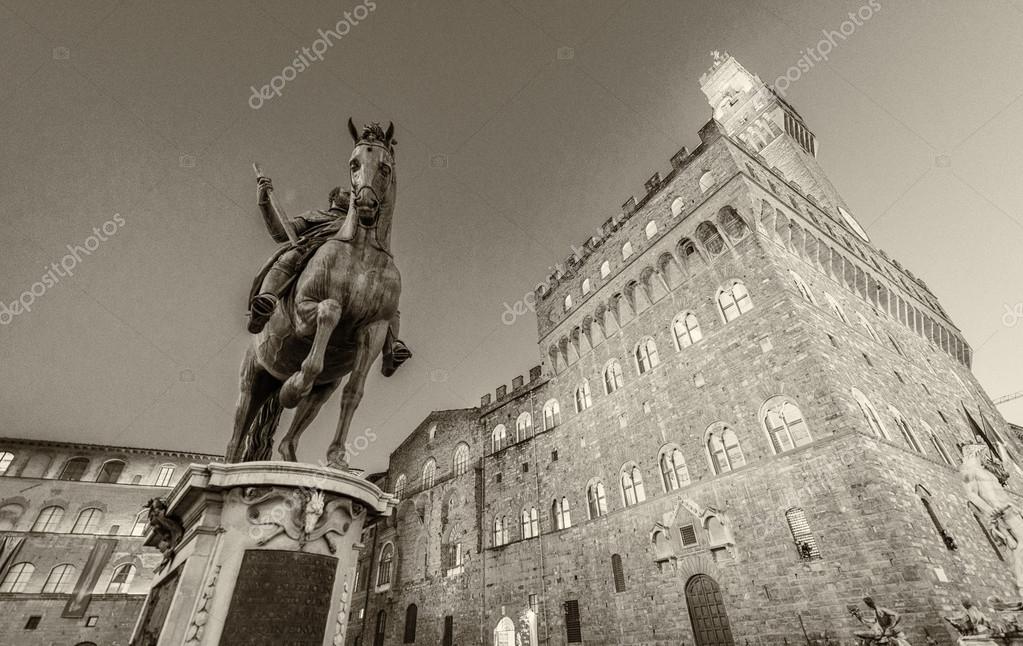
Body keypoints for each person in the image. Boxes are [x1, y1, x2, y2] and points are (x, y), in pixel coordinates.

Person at [247, 177, 411, 376]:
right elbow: (281, 233)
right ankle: (266, 302)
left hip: (357, 267)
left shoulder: (362, 225)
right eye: (346, 192)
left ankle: (390, 350)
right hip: (313, 253)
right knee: (290, 257)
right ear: (333, 198)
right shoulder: (317, 216)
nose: (351, 195)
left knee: (387, 297)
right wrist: (263, 201)